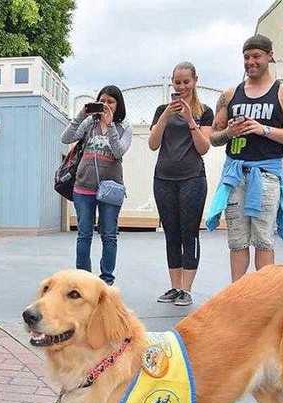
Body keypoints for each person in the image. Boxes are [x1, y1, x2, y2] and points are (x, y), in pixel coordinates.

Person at [204, 34, 283, 282]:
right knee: (237, 242)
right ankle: (238, 296)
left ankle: (264, 296)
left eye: (256, 56)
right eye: (247, 57)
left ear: (270, 56)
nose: (251, 62)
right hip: (235, 175)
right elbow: (213, 138)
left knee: (263, 240)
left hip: (267, 175)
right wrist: (229, 132)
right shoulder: (230, 94)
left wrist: (264, 129)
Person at [149, 62, 214, 306]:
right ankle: (175, 287)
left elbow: (204, 147)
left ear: (195, 80)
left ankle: (187, 289)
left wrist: (189, 119)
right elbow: (153, 144)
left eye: (186, 81)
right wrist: (166, 114)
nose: (182, 86)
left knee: (189, 233)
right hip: (164, 179)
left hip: (192, 179)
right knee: (171, 233)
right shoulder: (160, 110)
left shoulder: (204, 112)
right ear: (172, 84)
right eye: (177, 82)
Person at [61, 85, 132, 285]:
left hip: (111, 189)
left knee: (109, 235)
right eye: (103, 101)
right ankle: (83, 280)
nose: (106, 105)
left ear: (118, 105)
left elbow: (118, 152)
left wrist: (109, 127)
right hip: (83, 186)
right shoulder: (88, 124)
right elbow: (65, 138)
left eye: (111, 101)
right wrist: (80, 115)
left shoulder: (124, 127)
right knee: (84, 234)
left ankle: (106, 280)